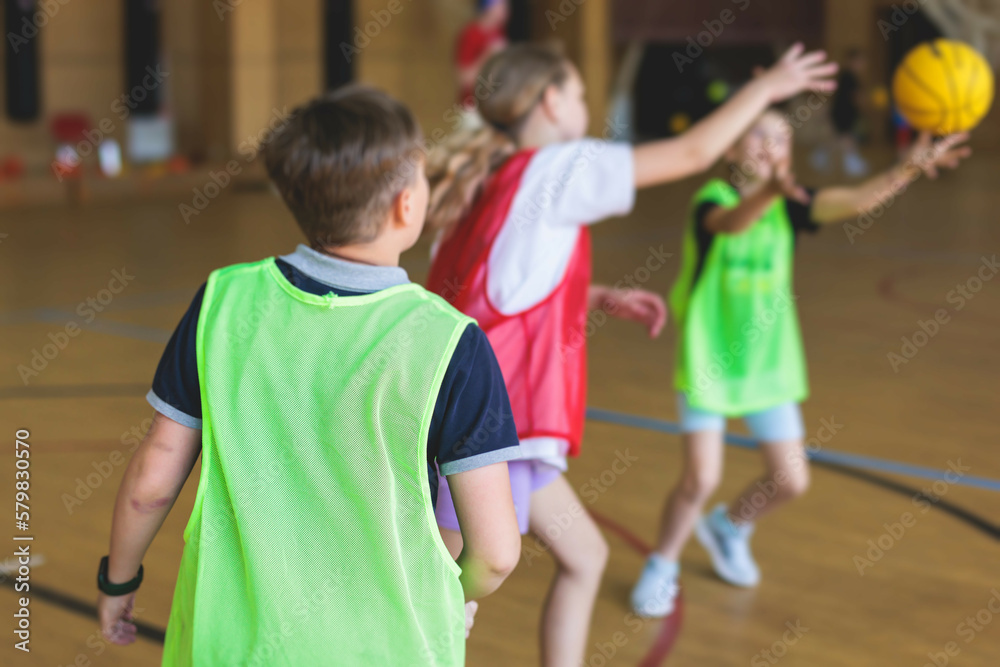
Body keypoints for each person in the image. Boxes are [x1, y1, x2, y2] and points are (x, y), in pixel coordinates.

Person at [425, 42, 838, 667]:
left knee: (584, 559)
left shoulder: (488, 177)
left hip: (494, 426)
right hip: (486, 427)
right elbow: (693, 153)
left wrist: (591, 295)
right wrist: (769, 86)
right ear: (552, 101)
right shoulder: (554, 169)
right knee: (440, 601)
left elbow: (495, 288)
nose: (589, 107)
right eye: (582, 94)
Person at [95, 87, 524, 666]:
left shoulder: (223, 300)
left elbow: (152, 482)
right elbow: (496, 552)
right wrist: (451, 596)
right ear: (405, 204)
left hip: (230, 646)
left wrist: (119, 583)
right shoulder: (451, 342)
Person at [630, 109, 970, 619]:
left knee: (791, 480)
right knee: (700, 478)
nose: (772, 146)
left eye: (783, 139)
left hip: (769, 364)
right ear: (729, 148)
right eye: (760, 135)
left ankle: (729, 525)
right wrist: (771, 192)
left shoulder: (791, 206)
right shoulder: (712, 202)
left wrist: (908, 167)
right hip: (709, 362)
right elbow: (731, 225)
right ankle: (662, 564)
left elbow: (857, 201)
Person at [455, 0, 509, 127]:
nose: (506, 9)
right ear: (489, 8)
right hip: (472, 109)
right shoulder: (470, 34)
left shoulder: (499, 32)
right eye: (502, 5)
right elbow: (464, 79)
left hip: (494, 107)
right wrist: (487, 55)